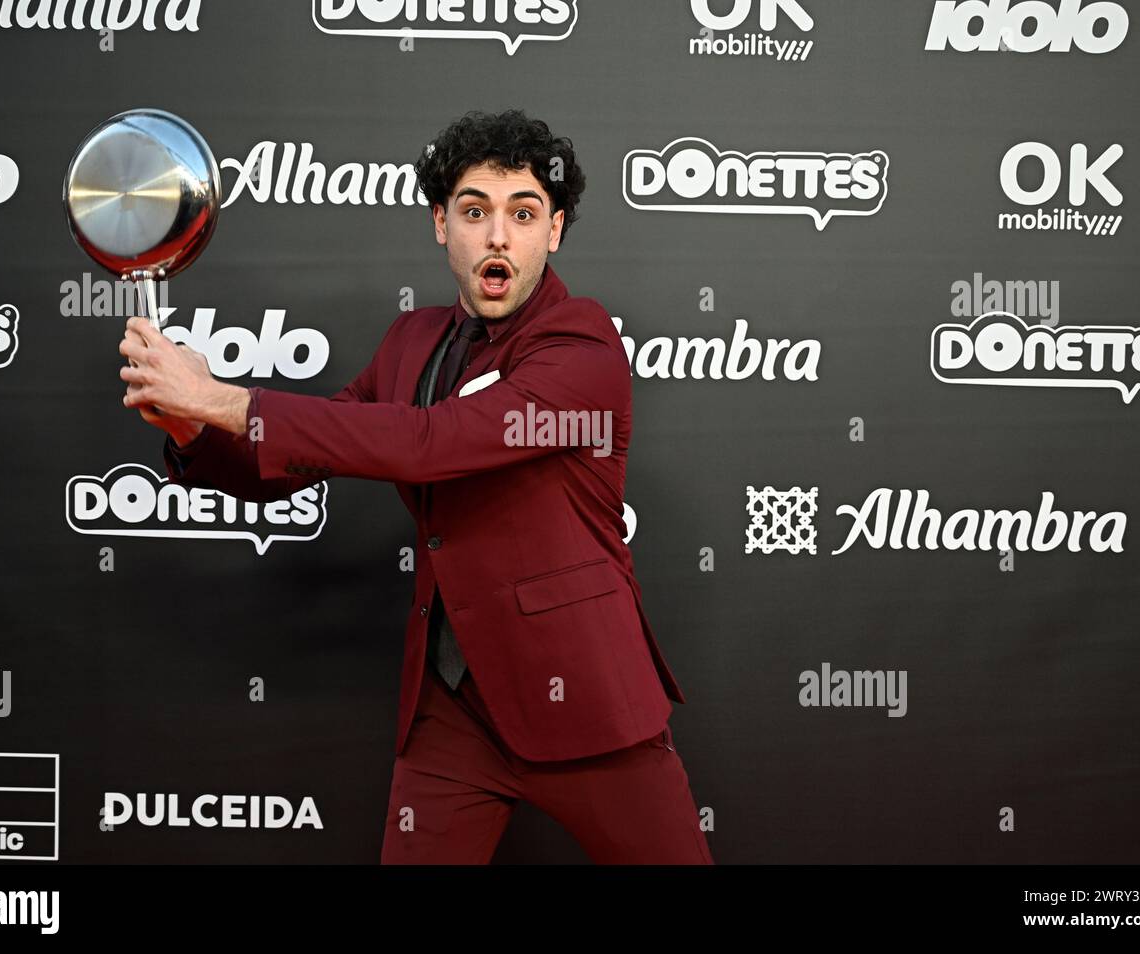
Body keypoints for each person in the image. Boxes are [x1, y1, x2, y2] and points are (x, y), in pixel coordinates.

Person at [117, 109, 714, 864]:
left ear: (554, 232)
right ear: (442, 224)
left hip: (585, 704)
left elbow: (432, 445)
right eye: (474, 211)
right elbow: (298, 459)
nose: (498, 236)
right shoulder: (411, 340)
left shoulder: (584, 346)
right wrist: (193, 432)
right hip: (450, 714)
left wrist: (228, 399)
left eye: (524, 214)